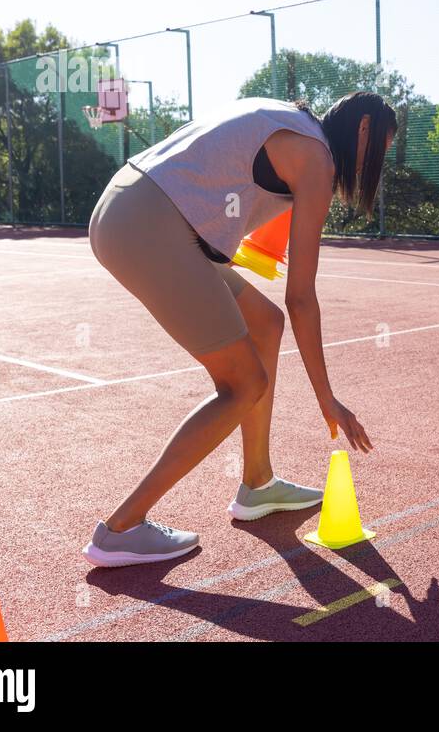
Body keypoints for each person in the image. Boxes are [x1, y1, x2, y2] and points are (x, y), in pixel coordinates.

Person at [83, 92, 393, 566]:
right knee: (244, 382)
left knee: (264, 324)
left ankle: (258, 483)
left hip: (128, 204)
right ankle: (120, 530)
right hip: (147, 225)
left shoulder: (290, 119)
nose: (379, 163)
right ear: (364, 128)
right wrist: (327, 399)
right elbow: (302, 297)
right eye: (382, 149)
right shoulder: (316, 160)